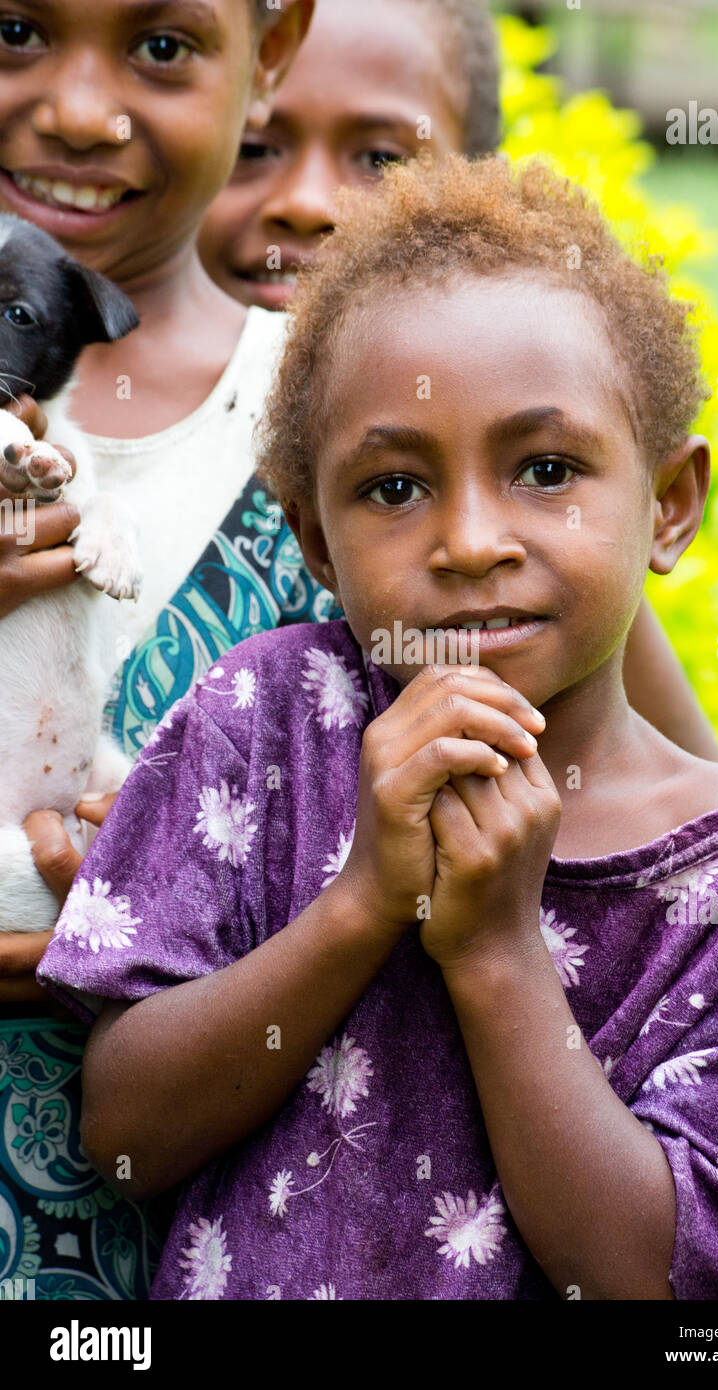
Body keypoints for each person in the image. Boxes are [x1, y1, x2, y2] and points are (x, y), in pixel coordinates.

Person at [37, 157, 718, 1300]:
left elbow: (653, 1283)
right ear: (316, 542)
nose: (469, 540)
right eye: (395, 489)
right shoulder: (265, 724)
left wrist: (496, 951)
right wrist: (363, 900)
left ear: (667, 504)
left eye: (546, 469)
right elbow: (121, 1138)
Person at [0, 0, 315, 1299]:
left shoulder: (358, 405)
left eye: (162, 42)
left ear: (275, 44)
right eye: (15, 25)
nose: (77, 107)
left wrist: (231, 908)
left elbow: (641, 808)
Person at [199, 0, 718, 764]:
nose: (311, 205)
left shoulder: (557, 544)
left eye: (381, 161)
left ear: (475, 180)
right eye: (254, 147)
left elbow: (696, 813)